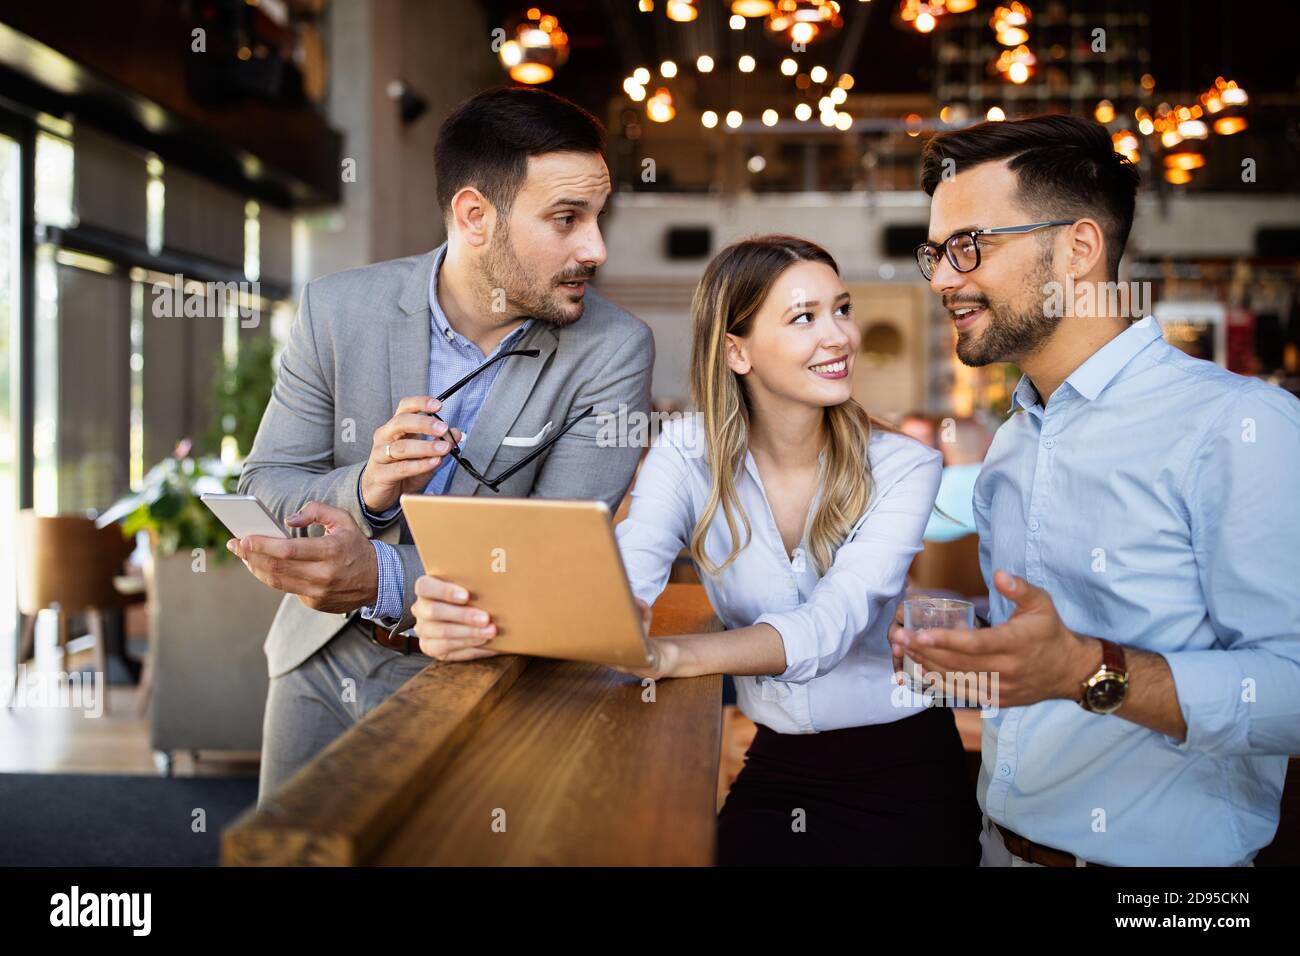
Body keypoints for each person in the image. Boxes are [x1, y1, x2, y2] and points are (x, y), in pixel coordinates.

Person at [414, 234, 981, 865]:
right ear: (737, 351)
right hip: (780, 766)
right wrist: (481, 621)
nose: (839, 336)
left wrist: (671, 655)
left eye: (841, 309)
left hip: (906, 773)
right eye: (804, 318)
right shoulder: (688, 451)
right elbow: (625, 579)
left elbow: (829, 629)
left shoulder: (905, 464)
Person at [892, 114, 1300, 866]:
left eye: (968, 246)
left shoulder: (1238, 425)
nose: (944, 278)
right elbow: (1046, 643)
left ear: (1078, 248)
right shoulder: (1016, 440)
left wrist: (1089, 671)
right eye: (936, 254)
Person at [233, 87, 653, 805]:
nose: (596, 248)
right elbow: (265, 486)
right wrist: (365, 488)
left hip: (489, 677)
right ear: (473, 216)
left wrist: (380, 576)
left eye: (597, 217)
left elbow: (552, 561)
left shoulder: (614, 350)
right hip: (315, 665)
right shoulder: (339, 310)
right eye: (566, 219)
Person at [923, 415, 991, 542]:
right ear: (988, 443)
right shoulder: (1010, 487)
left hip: (935, 559)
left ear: (941, 447)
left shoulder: (924, 493)